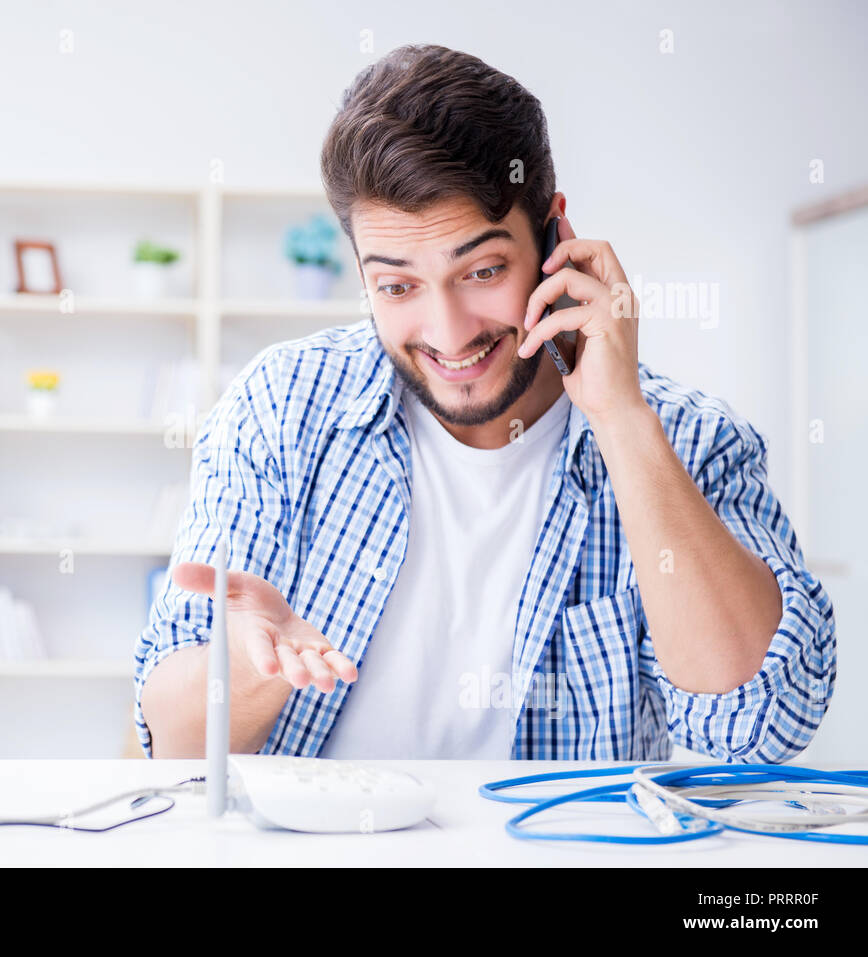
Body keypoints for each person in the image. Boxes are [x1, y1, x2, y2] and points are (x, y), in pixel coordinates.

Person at [134, 43, 835, 762]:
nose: (448, 332)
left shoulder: (690, 438)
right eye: (398, 285)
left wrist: (620, 420)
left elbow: (763, 723)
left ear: (556, 236)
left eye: (483, 270)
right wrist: (261, 667)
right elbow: (166, 748)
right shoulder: (281, 408)